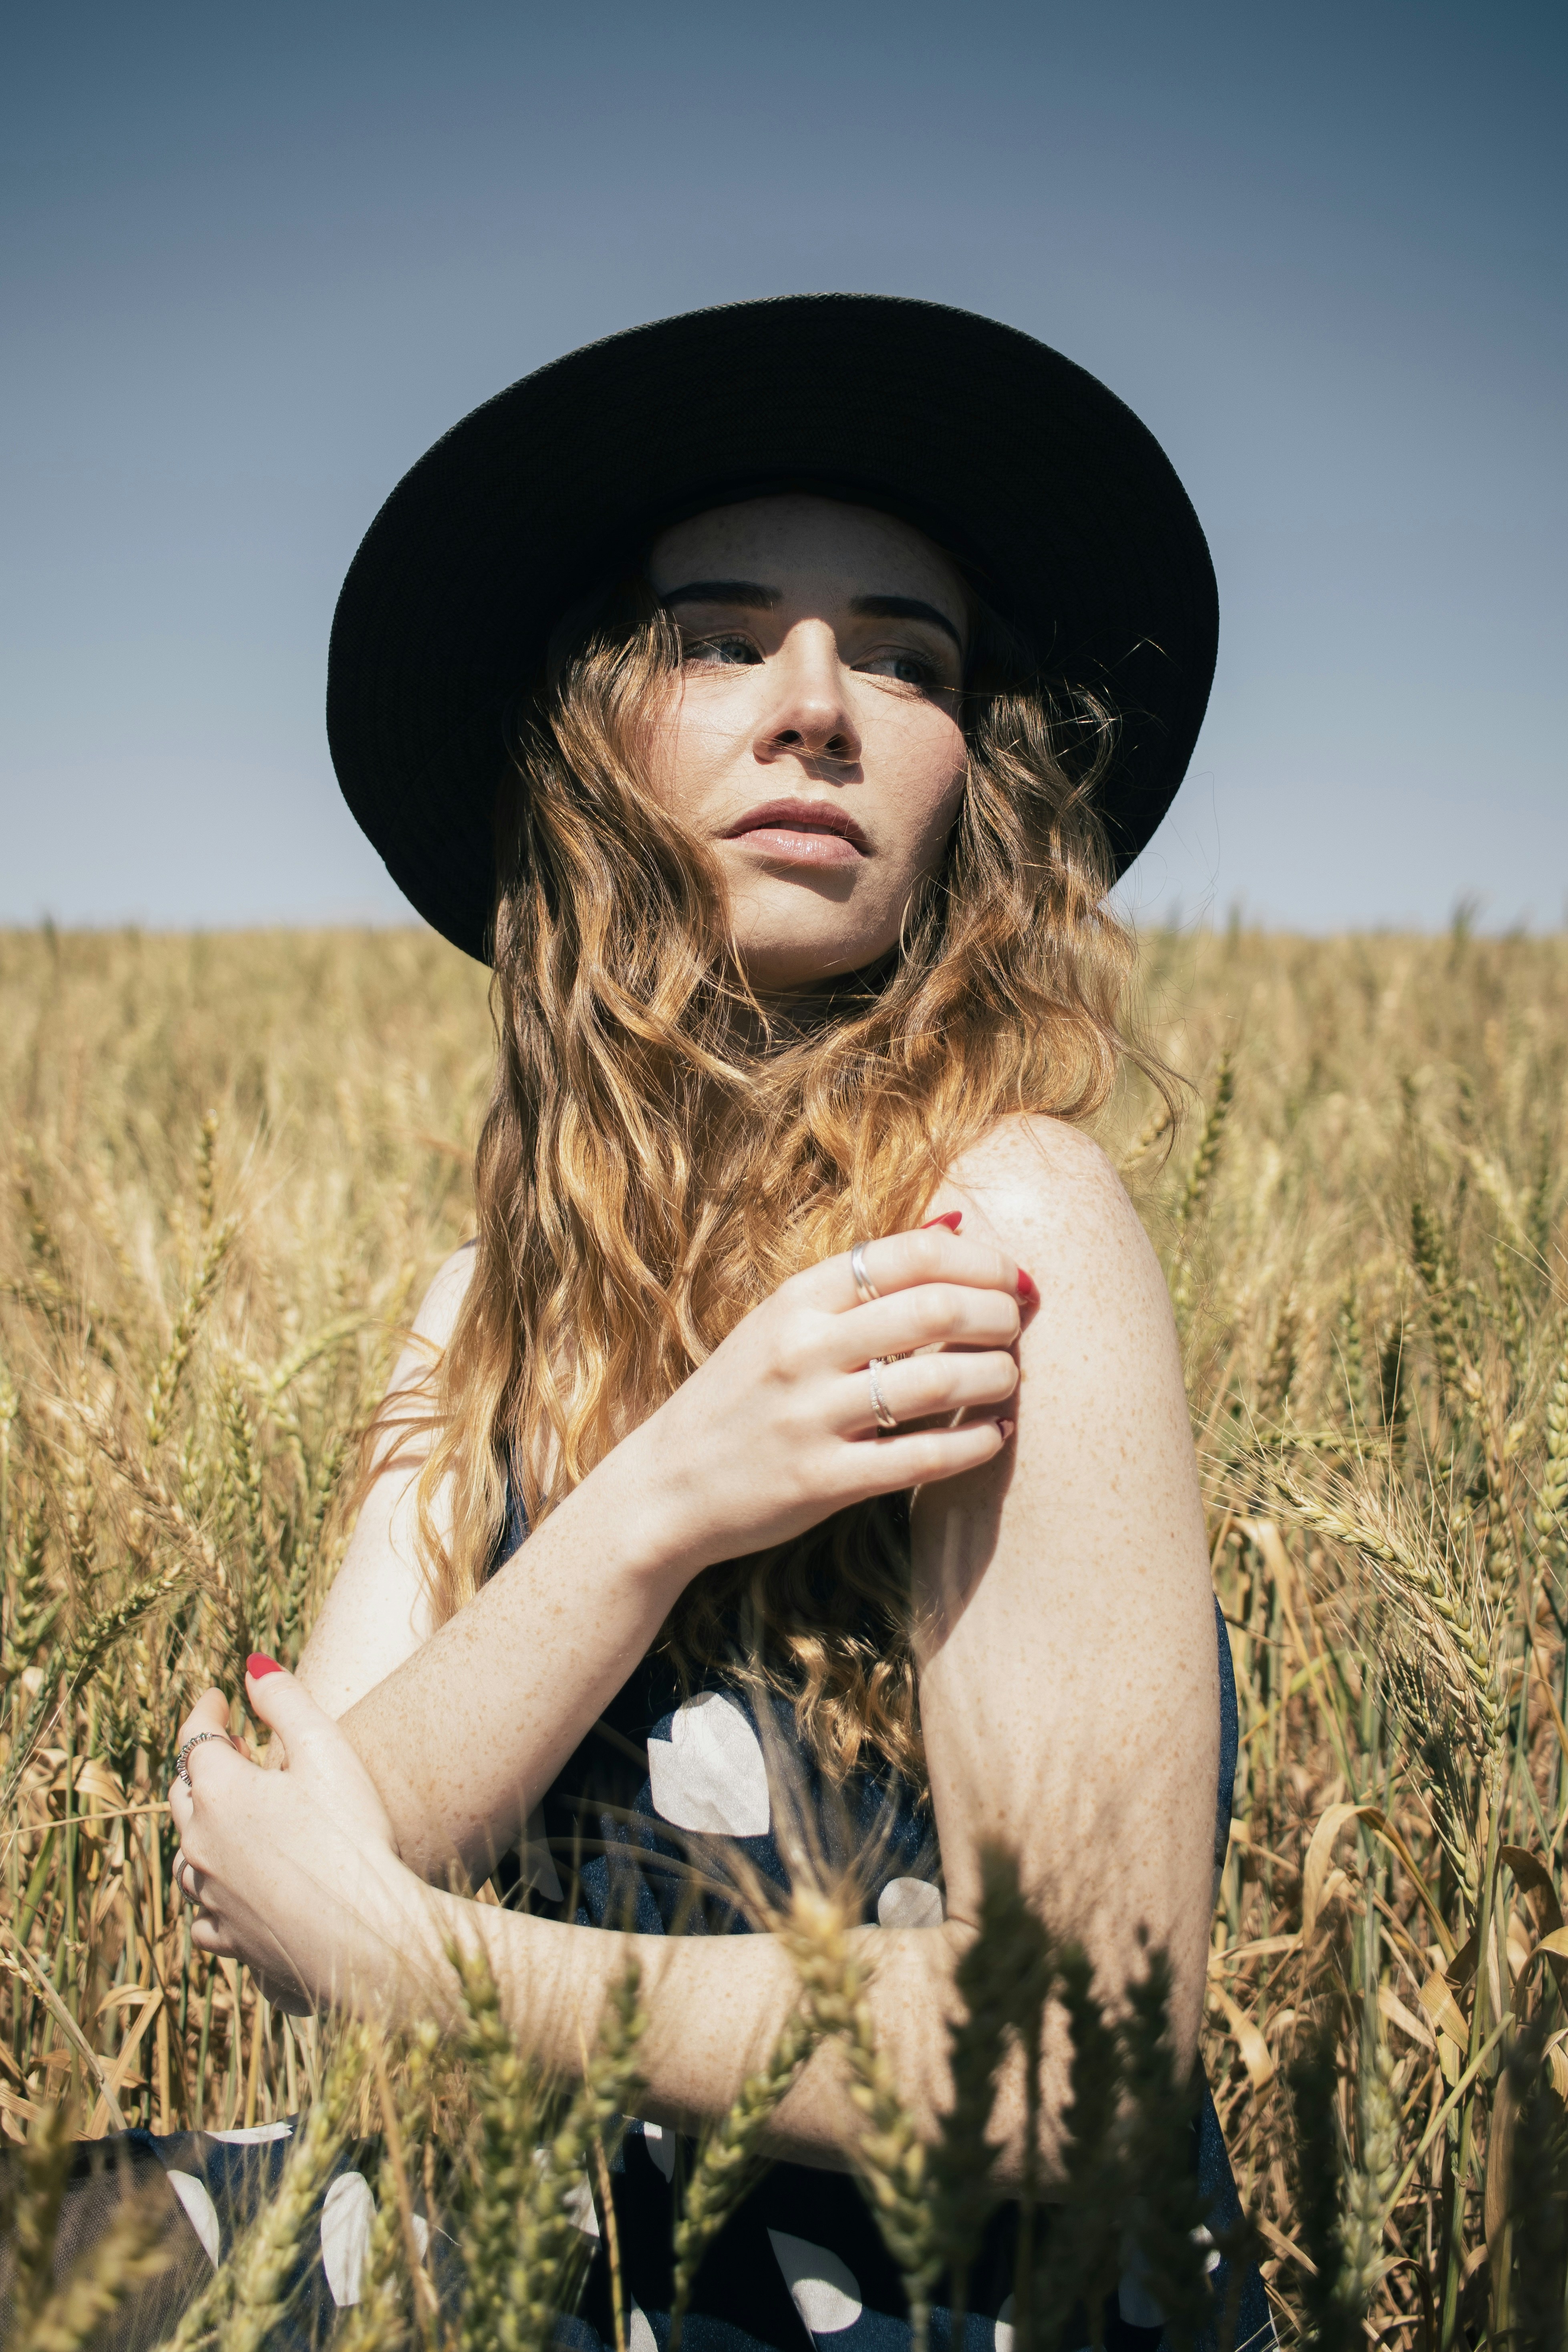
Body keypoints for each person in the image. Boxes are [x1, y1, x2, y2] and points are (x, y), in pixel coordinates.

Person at [82, 299, 1269, 2350]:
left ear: (966, 775)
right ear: (589, 733)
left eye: (909, 657)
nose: (821, 702)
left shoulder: (1001, 1230)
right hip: (476, 2273)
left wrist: (438, 1973)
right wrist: (657, 1505)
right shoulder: (479, 1310)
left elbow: (1072, 2055)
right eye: (724, 635)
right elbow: (307, 1850)